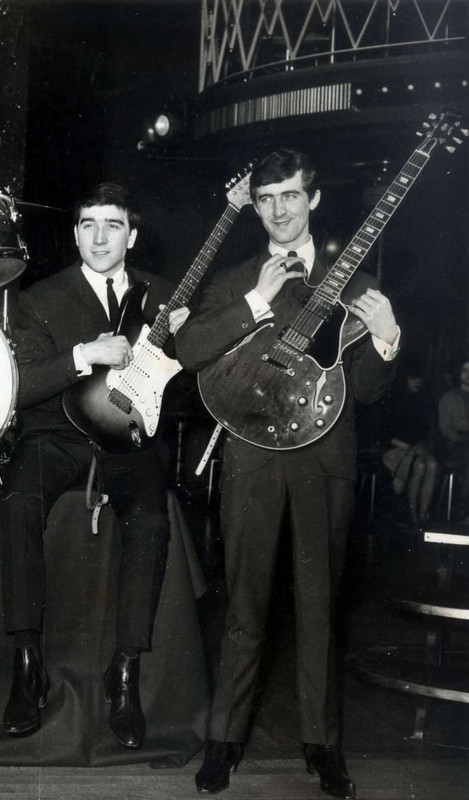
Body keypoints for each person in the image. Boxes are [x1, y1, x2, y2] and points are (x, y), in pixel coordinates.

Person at [176, 149, 400, 799]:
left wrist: (384, 340)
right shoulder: (236, 278)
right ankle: (222, 745)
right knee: (243, 605)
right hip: (249, 451)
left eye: (291, 196)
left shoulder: (348, 280)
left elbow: (363, 388)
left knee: (317, 607)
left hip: (324, 458)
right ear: (255, 202)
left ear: (314, 200)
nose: (278, 209)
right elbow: (188, 350)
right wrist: (253, 302)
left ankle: (321, 747)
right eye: (267, 197)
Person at [0, 181, 190, 748]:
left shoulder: (164, 297)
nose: (100, 237)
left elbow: (185, 391)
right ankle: (27, 662)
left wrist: (178, 350)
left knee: (153, 516)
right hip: (55, 441)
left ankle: (124, 671)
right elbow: (20, 385)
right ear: (75, 233)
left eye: (112, 225)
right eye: (88, 225)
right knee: (17, 498)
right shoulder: (40, 297)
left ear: (132, 234)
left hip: (128, 448)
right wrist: (84, 354)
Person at [380, 362, 439, 525]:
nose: (417, 382)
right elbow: (384, 433)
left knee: (432, 464)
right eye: (413, 378)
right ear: (405, 378)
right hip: (394, 448)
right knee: (419, 466)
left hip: (416, 447)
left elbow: (424, 432)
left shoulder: (422, 401)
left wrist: (419, 446)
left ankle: (423, 511)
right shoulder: (393, 399)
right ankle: (412, 514)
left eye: (419, 379)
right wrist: (406, 446)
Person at [438, 355, 469, 521]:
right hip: (453, 447)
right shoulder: (450, 396)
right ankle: (463, 508)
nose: (468, 374)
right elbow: (445, 429)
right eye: (464, 370)